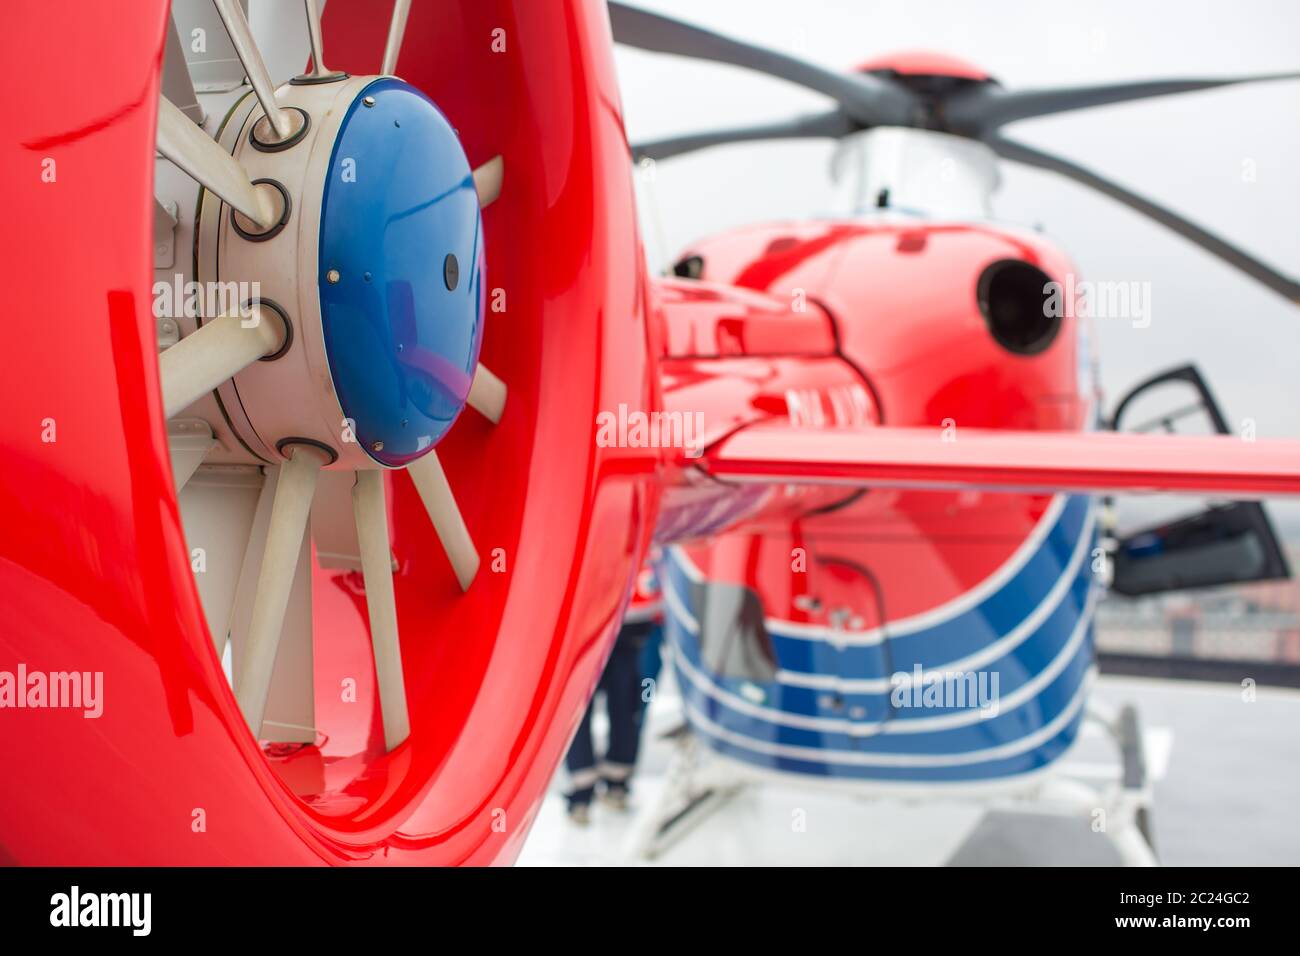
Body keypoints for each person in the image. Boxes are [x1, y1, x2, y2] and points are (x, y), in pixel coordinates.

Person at [564, 558, 663, 824]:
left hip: (637, 626)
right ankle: (583, 789)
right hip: (587, 625)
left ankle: (615, 783)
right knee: (577, 711)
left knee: (630, 705)